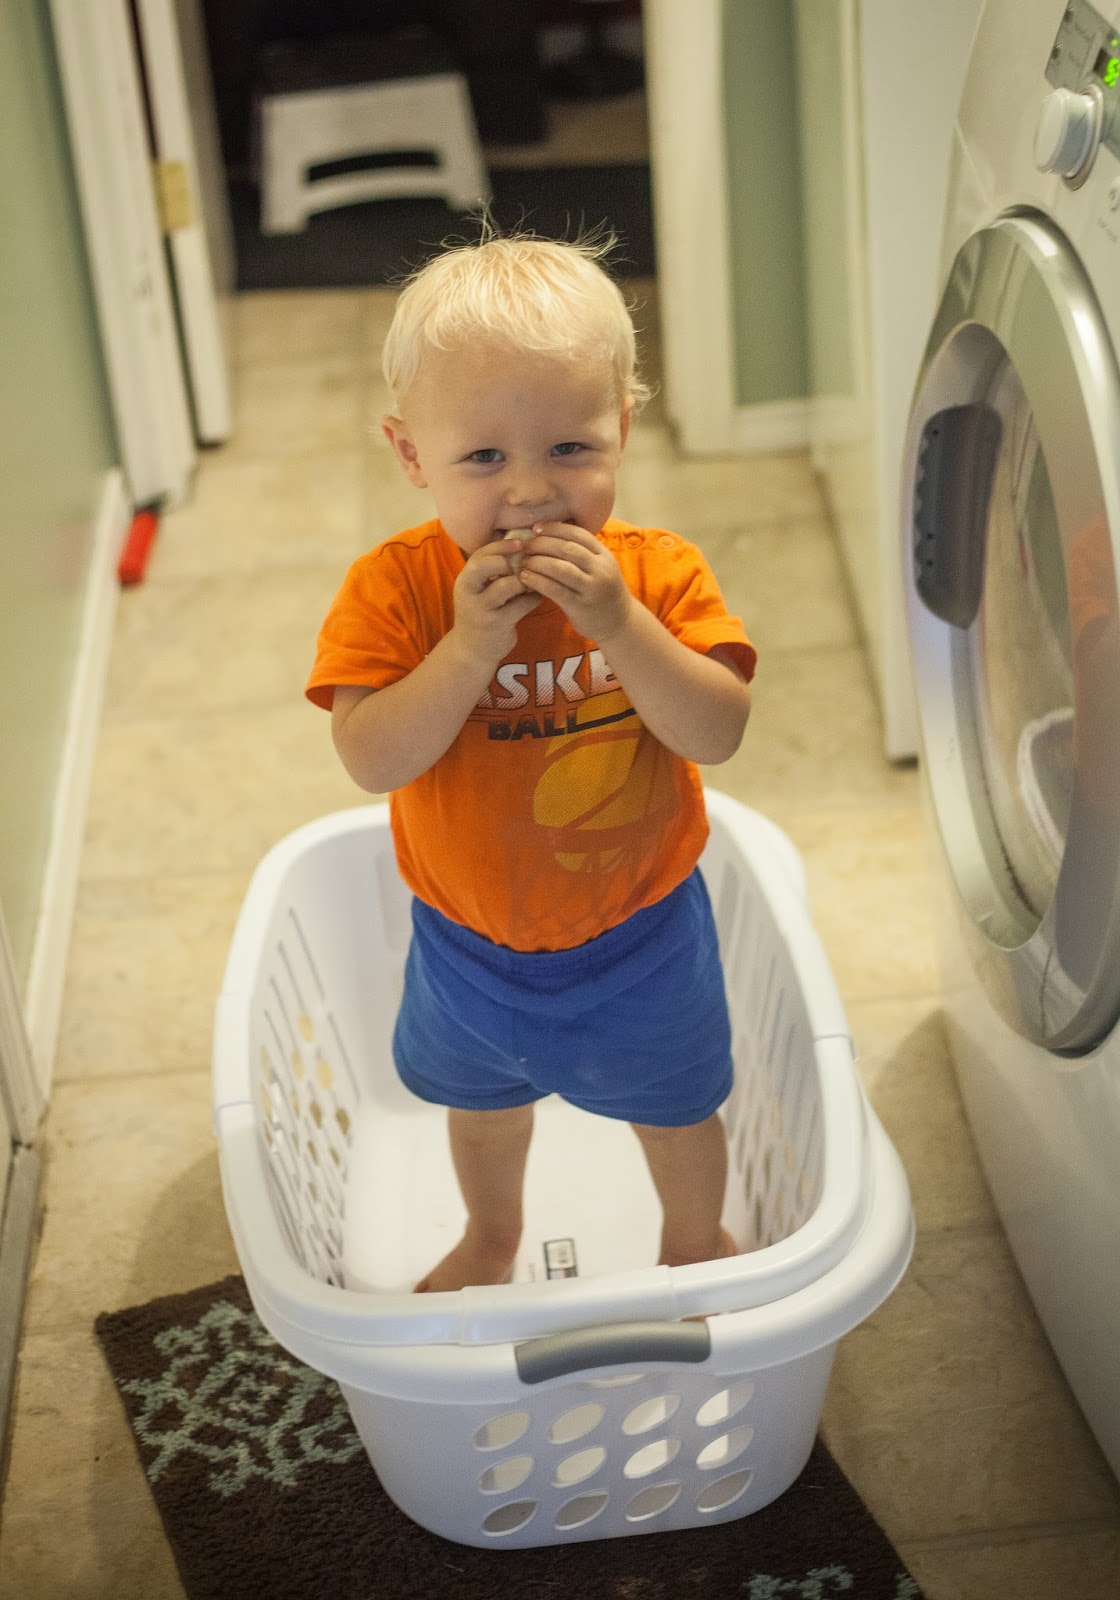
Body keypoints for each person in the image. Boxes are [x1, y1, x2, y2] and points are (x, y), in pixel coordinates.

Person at [307, 229, 757, 1293]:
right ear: (412, 456)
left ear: (622, 432)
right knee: (481, 1106)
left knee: (678, 1105)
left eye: (568, 449)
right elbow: (371, 758)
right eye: (481, 458)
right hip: (468, 945)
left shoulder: (653, 574)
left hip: (643, 928)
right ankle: (490, 1237)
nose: (529, 493)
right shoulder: (399, 593)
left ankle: (693, 1240)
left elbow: (716, 732)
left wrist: (620, 627)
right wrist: (466, 651)